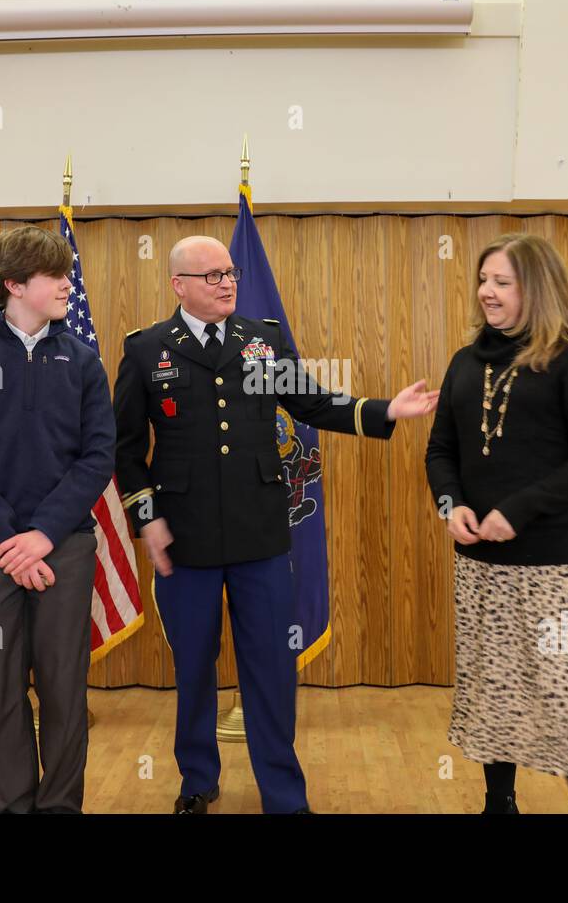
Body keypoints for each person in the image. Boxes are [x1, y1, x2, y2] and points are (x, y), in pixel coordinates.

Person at [114, 235, 438, 814]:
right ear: (178, 285)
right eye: (211, 275)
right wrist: (148, 518)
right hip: (182, 538)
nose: (226, 282)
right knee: (194, 665)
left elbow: (310, 404)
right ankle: (196, 780)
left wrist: (382, 410)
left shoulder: (261, 341)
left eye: (229, 272)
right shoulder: (147, 350)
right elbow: (127, 447)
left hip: (260, 533)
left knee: (270, 670)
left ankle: (284, 796)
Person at [424, 232, 568, 814]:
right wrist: (449, 505)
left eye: (502, 283)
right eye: (484, 280)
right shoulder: (464, 362)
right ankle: (499, 804)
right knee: (494, 689)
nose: (486, 292)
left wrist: (517, 510)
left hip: (559, 564)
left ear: (536, 289)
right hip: (482, 564)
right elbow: (440, 451)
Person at [0, 225, 116, 814]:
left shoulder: (83, 363)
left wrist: (42, 535)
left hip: (63, 547)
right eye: (55, 276)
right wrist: (9, 540)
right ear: (14, 285)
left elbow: (97, 458)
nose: (68, 284)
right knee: (3, 693)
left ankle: (61, 808)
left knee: (64, 689)